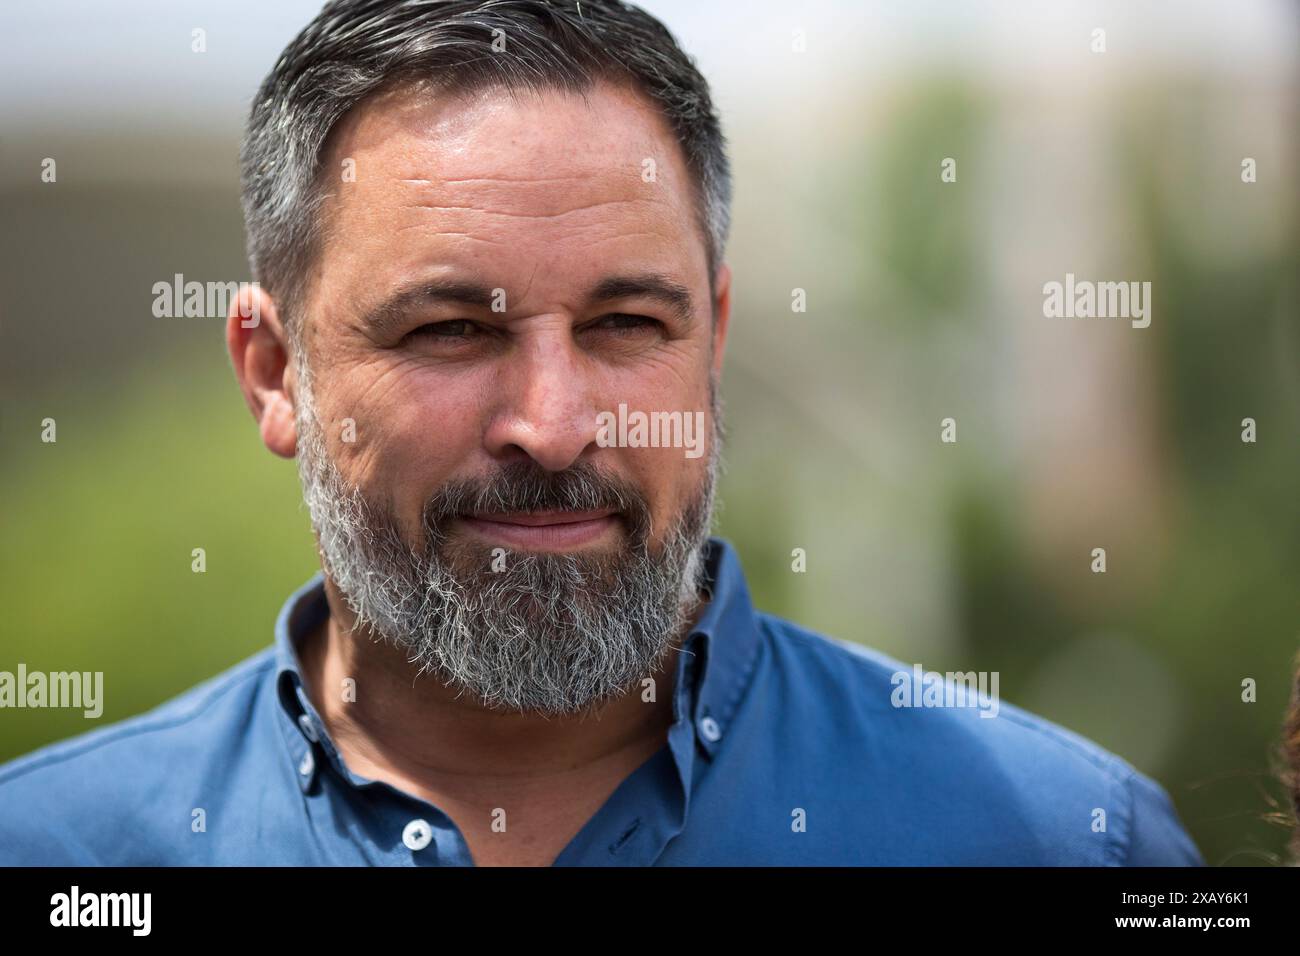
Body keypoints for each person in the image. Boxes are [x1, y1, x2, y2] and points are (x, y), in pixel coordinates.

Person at [0, 0, 1203, 866]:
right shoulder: (63, 847)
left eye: (627, 323)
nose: (555, 424)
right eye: (451, 330)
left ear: (714, 337)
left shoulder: (1061, 840)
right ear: (275, 373)